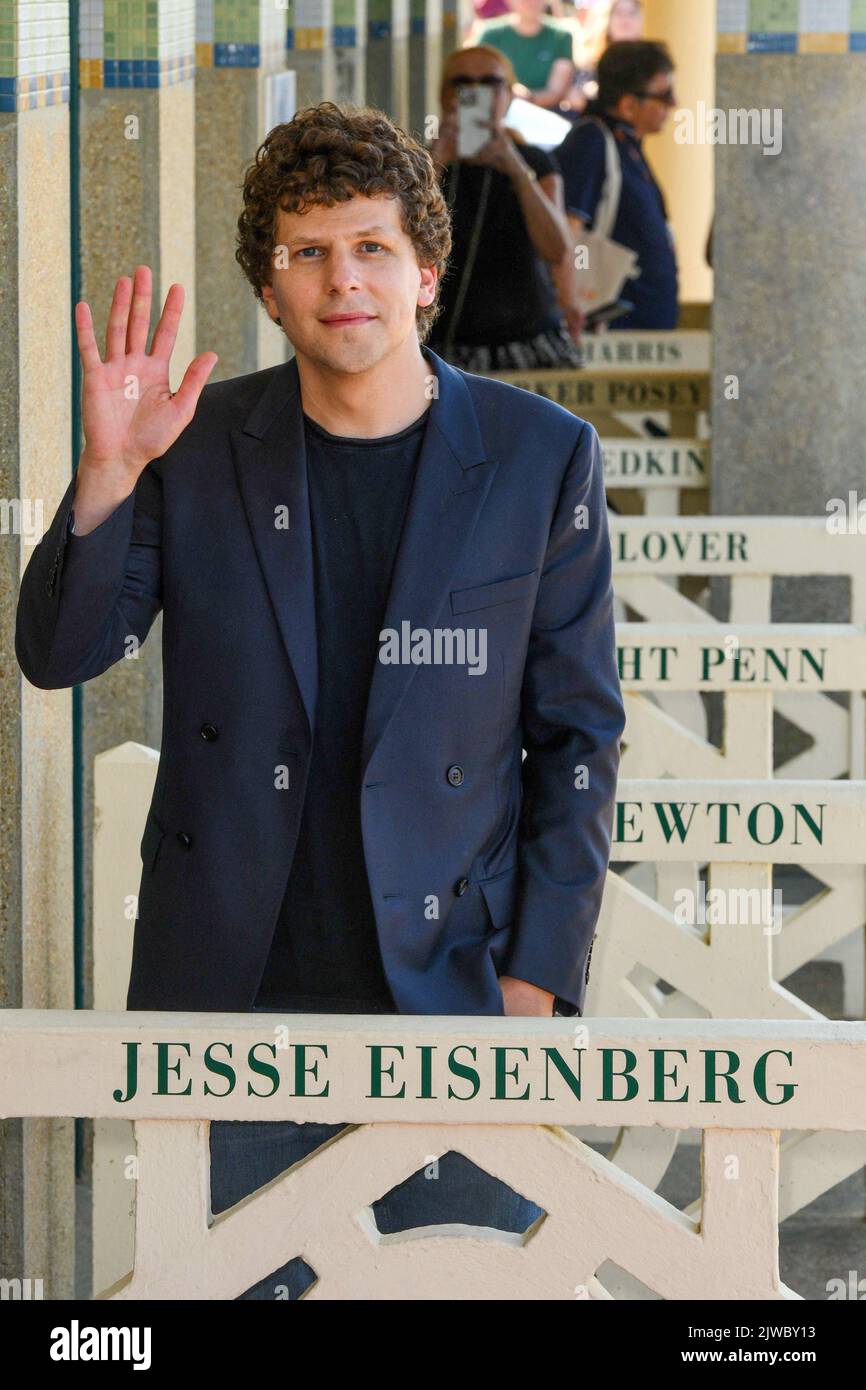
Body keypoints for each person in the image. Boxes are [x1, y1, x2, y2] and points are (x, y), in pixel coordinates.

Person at [16, 102, 624, 1298]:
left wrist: (534, 978)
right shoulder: (193, 446)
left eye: (370, 247)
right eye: (306, 253)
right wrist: (105, 476)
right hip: (229, 993)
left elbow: (577, 738)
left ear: (425, 275)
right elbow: (59, 653)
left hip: (450, 992)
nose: (341, 279)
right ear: (271, 287)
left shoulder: (541, 451)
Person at [428, 45, 582, 370]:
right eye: (463, 83)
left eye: (489, 83)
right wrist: (436, 163)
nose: (476, 92)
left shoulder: (534, 163)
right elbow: (398, 236)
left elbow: (557, 250)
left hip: (525, 337)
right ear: (445, 95)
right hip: (446, 343)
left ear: (509, 96)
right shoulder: (423, 166)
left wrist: (515, 169)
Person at [555, 40, 679, 329]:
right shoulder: (591, 140)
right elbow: (565, 232)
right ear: (628, 104)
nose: (674, 104)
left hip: (640, 335)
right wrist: (570, 302)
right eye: (665, 95)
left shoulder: (629, 146)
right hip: (606, 333)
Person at [480, 0, 575, 109]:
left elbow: (555, 92)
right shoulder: (490, 35)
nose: (531, 2)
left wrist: (527, 98)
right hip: (497, 113)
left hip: (542, 115)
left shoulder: (561, 37)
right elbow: (478, 78)